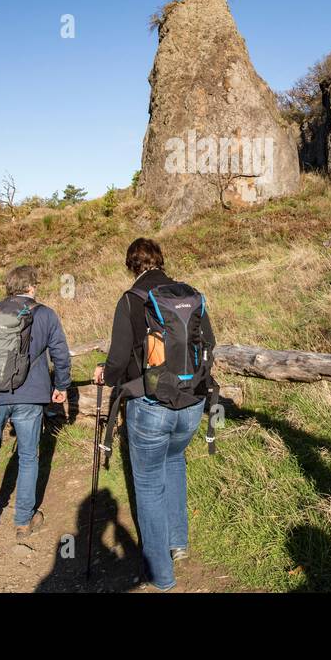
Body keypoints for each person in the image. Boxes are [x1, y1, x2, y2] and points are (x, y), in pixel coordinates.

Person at [95, 238, 215, 591]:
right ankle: (178, 543)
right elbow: (209, 344)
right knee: (175, 463)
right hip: (191, 403)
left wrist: (110, 375)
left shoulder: (132, 300)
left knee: (147, 484)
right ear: (160, 261)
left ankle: (161, 574)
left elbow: (117, 359)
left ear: (132, 265)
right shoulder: (190, 294)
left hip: (150, 405)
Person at [0, 265, 71, 538]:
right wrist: (61, 386)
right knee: (27, 455)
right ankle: (23, 520)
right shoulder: (45, 314)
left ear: (9, 286)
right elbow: (60, 353)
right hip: (32, 395)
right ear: (32, 286)